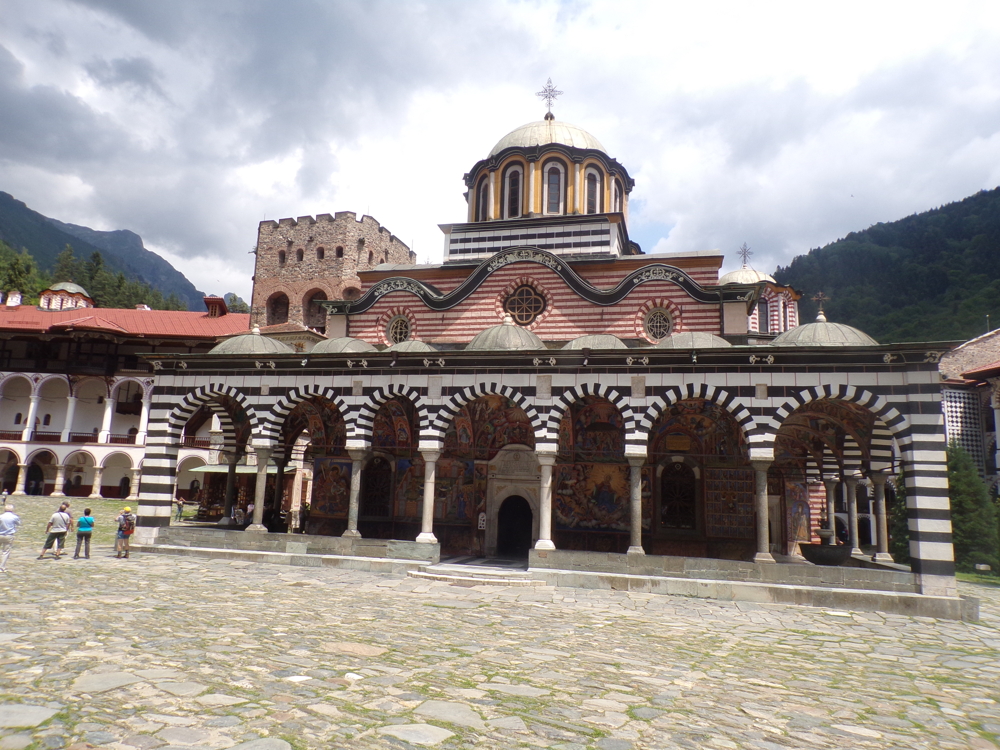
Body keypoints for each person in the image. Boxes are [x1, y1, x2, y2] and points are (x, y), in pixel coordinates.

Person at [0, 503, 21, 573]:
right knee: (5, 551)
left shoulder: (1, 516)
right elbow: (18, 523)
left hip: (0, 534)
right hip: (9, 535)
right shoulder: (14, 517)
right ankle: (2, 567)